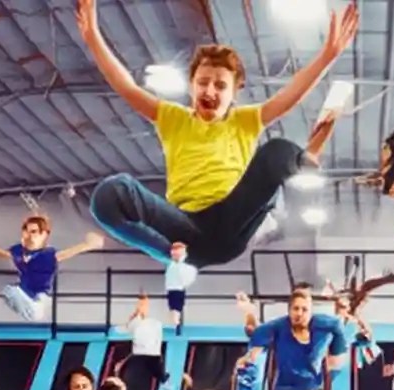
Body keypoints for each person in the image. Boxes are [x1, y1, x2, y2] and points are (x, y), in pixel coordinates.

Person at [78, 0, 357, 268]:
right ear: (191, 86)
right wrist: (92, 37)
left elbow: (289, 97)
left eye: (221, 86)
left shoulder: (245, 120)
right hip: (184, 229)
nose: (210, 91)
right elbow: (127, 88)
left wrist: (326, 57)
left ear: (234, 93)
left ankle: (304, 170)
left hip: (231, 220)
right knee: (109, 193)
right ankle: (168, 254)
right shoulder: (172, 117)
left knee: (278, 151)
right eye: (202, 83)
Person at [0, 210, 104, 322]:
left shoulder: (48, 254)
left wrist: (89, 244)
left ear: (44, 235)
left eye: (34, 232)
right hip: (23, 294)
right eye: (26, 231)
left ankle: (35, 311)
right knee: (9, 291)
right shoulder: (17, 251)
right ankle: (30, 309)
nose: (28, 236)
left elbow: (68, 253)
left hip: (40, 298)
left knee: (14, 293)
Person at [113, 294, 189, 390]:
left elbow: (171, 323)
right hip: (139, 352)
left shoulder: (155, 322)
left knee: (157, 369)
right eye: (140, 305)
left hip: (153, 352)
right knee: (132, 370)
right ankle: (119, 384)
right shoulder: (136, 321)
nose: (142, 307)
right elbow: (126, 328)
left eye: (144, 305)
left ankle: (165, 381)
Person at [164, 242, 198, 334]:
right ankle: (176, 324)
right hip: (173, 287)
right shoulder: (173, 264)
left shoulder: (181, 264)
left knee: (176, 308)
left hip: (177, 288)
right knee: (175, 308)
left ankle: (177, 324)